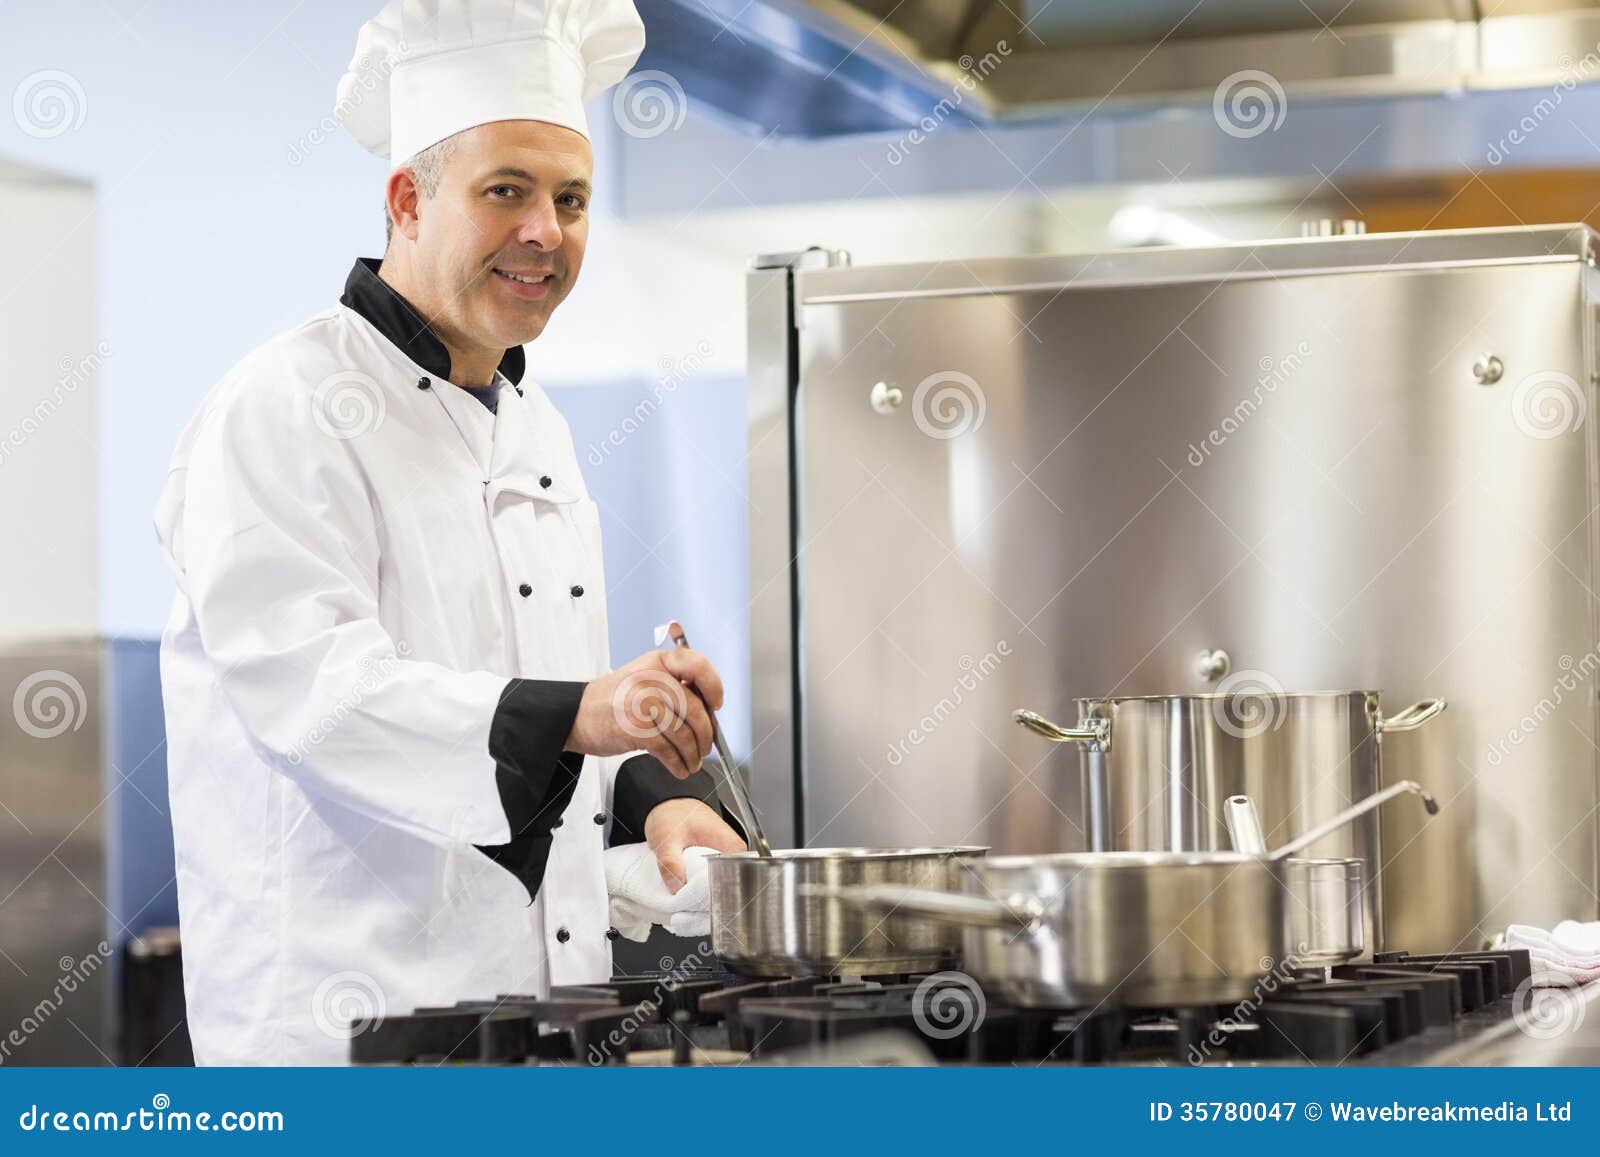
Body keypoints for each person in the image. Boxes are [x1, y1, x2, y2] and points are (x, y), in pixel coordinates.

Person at [153, 0, 745, 1065]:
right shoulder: (284, 403)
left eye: (570, 199)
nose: (544, 232)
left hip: (535, 1016)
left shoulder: (537, 427)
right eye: (504, 192)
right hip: (340, 1036)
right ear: (406, 201)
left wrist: (657, 795)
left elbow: (542, 708)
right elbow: (320, 697)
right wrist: (588, 707)